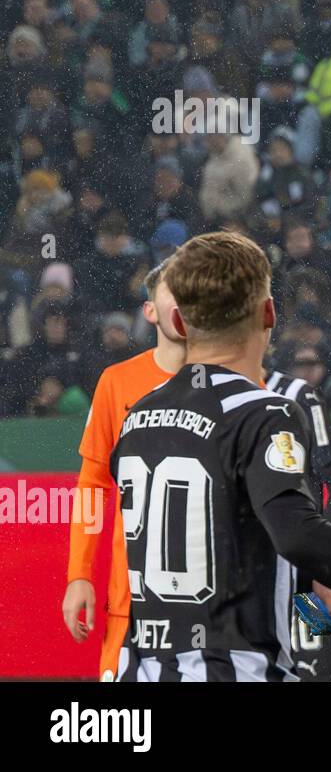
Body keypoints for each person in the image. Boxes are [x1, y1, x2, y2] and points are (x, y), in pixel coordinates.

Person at [109, 231, 331, 680]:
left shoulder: (139, 416)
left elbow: (230, 544)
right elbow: (297, 532)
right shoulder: (265, 412)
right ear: (269, 313)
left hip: (142, 669)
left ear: (180, 323)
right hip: (232, 670)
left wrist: (313, 586)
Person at [62, 261, 186, 681]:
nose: (185, 300)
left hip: (213, 610)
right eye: (174, 290)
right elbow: (93, 486)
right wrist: (79, 575)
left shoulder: (241, 386)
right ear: (149, 311)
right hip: (130, 605)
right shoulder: (117, 383)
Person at [265, 366, 331, 681]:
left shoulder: (301, 396)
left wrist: (323, 561)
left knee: (321, 673)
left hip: (304, 580)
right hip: (238, 581)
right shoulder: (203, 397)